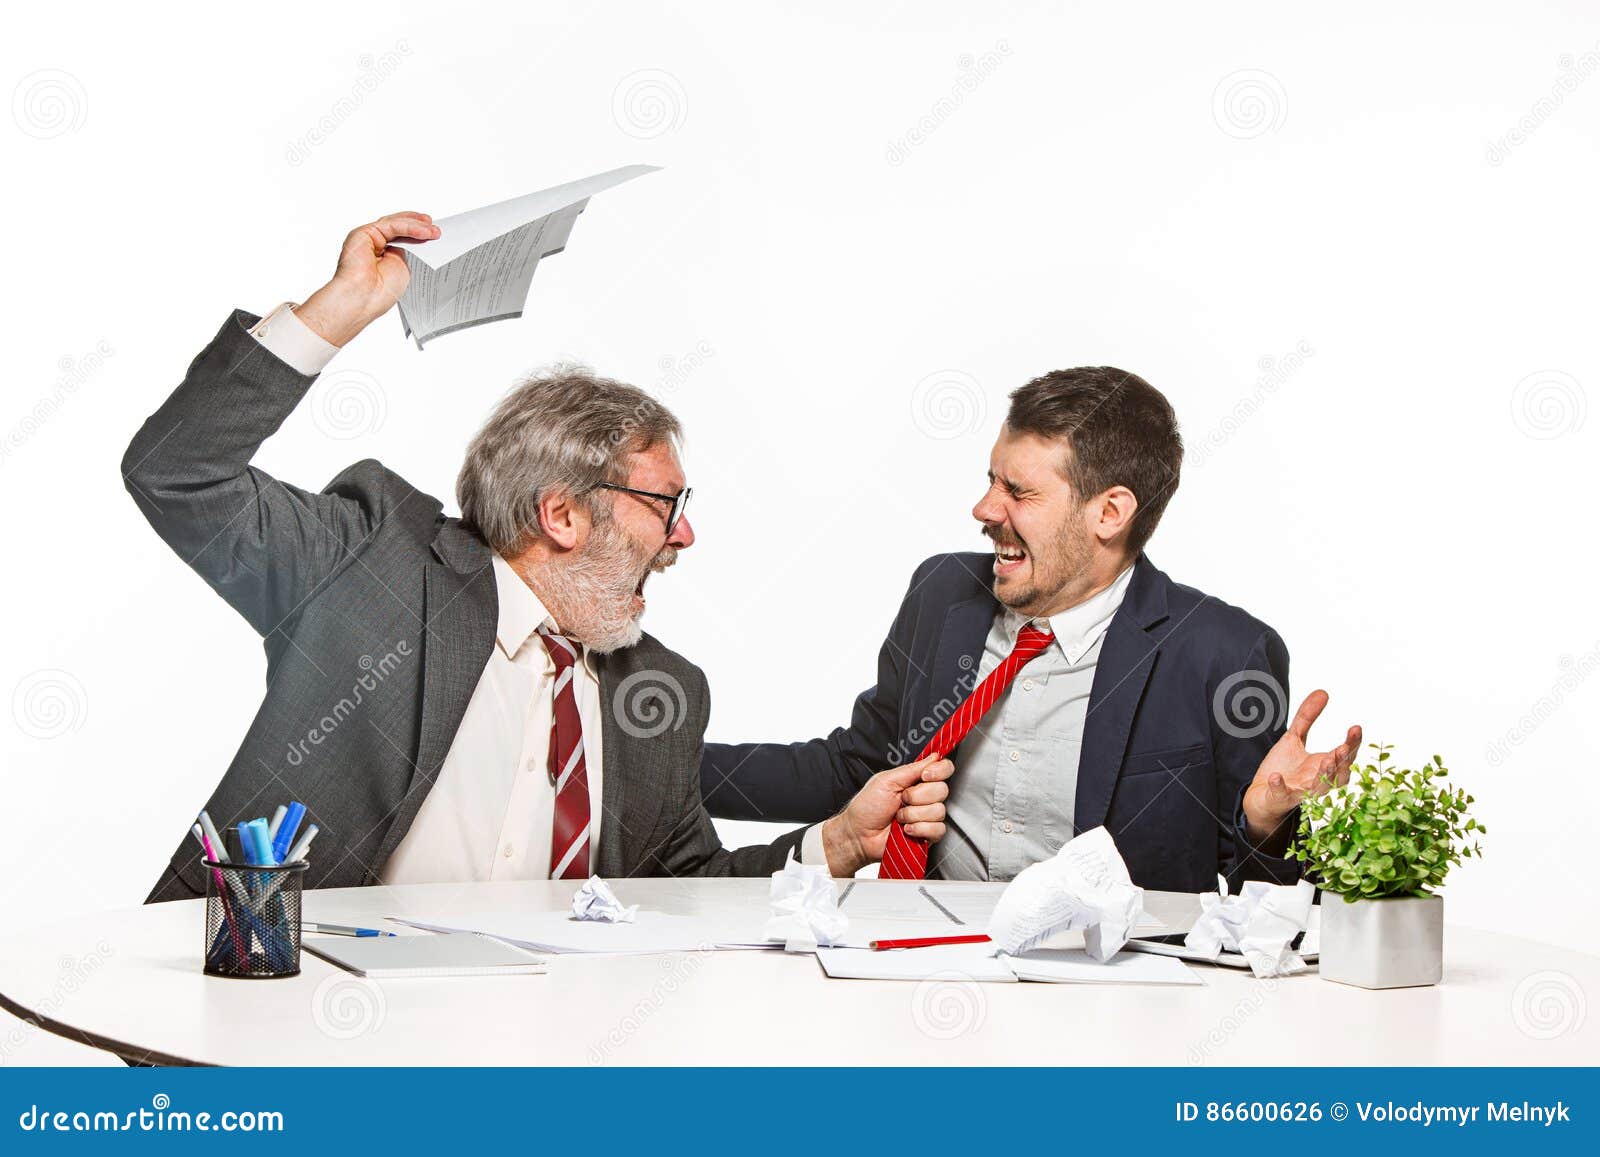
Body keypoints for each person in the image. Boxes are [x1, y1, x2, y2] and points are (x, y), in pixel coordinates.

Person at [126, 211, 950, 902]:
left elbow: (686, 890)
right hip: (294, 1039)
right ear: (560, 513)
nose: (684, 537)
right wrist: (336, 310)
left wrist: (835, 844)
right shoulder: (373, 566)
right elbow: (178, 473)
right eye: (667, 506)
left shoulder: (660, 694)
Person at [701, 366, 1360, 892]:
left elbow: (1268, 911)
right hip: (927, 971)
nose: (985, 508)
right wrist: (655, 768)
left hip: (1112, 1014)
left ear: (1110, 512)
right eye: (991, 480)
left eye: (1019, 491)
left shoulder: (1221, 653)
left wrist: (1266, 823)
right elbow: (855, 767)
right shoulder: (943, 595)